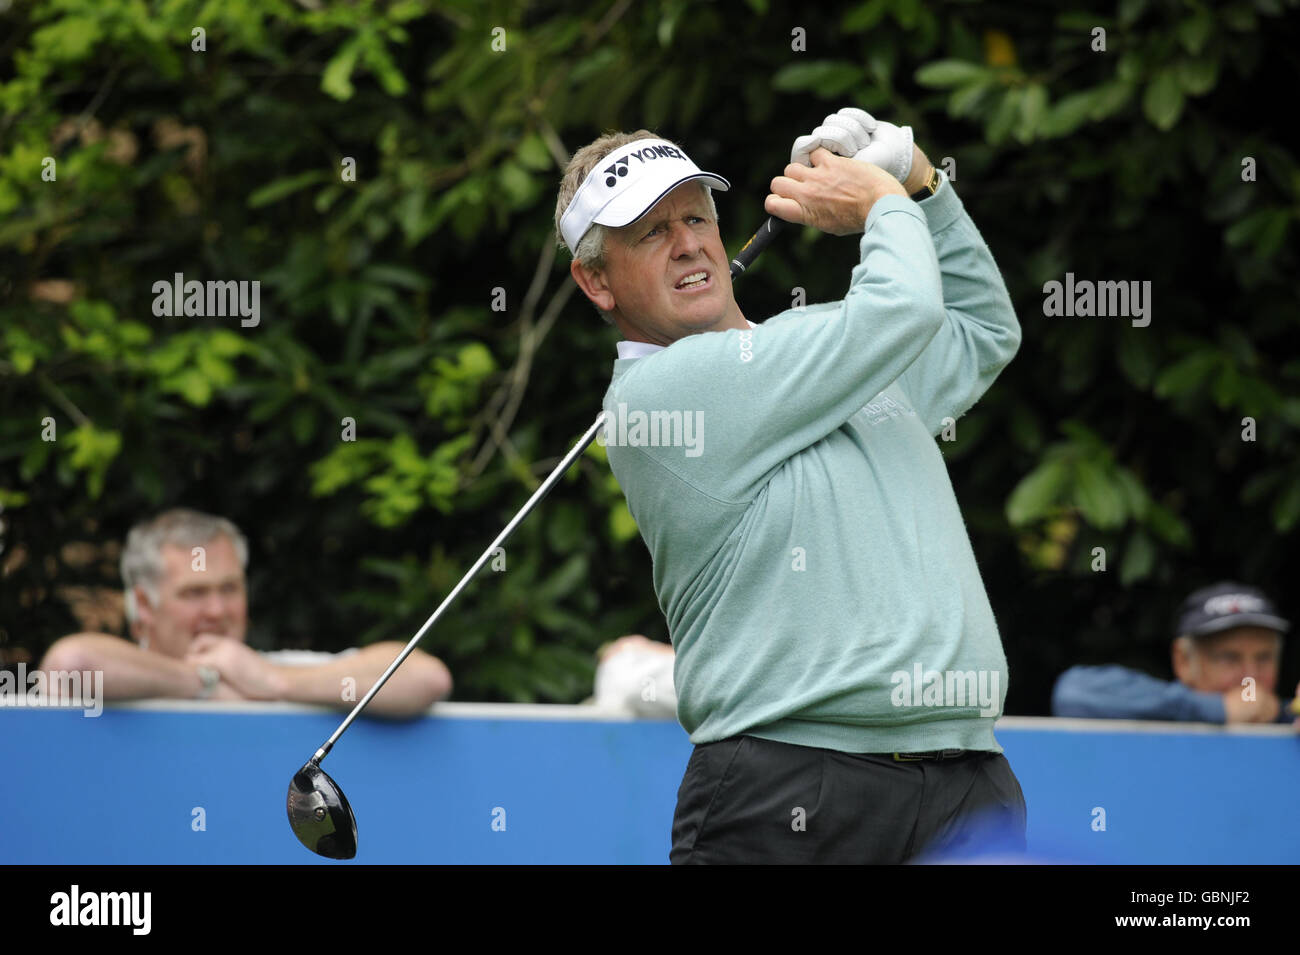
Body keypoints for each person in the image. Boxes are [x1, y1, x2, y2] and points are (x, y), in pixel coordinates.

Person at [555, 108, 1025, 863]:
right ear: (596, 281)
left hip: (966, 780)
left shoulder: (829, 351)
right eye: (649, 233)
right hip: (791, 787)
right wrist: (882, 202)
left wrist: (923, 182)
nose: (687, 244)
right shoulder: (656, 399)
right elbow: (904, 306)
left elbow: (979, 328)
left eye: (695, 217)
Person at [38, 508, 451, 717]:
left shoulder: (270, 673)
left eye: (229, 588)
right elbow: (69, 665)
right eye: (195, 593)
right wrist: (203, 681)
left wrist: (273, 681)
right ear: (144, 605)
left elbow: (425, 676)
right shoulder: (117, 678)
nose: (217, 610)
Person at [1052, 581, 1296, 725]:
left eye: (1264, 658)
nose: (1249, 678)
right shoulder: (1165, 716)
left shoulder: (1289, 721)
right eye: (1229, 658)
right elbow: (1074, 693)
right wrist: (1218, 710)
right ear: (1183, 661)